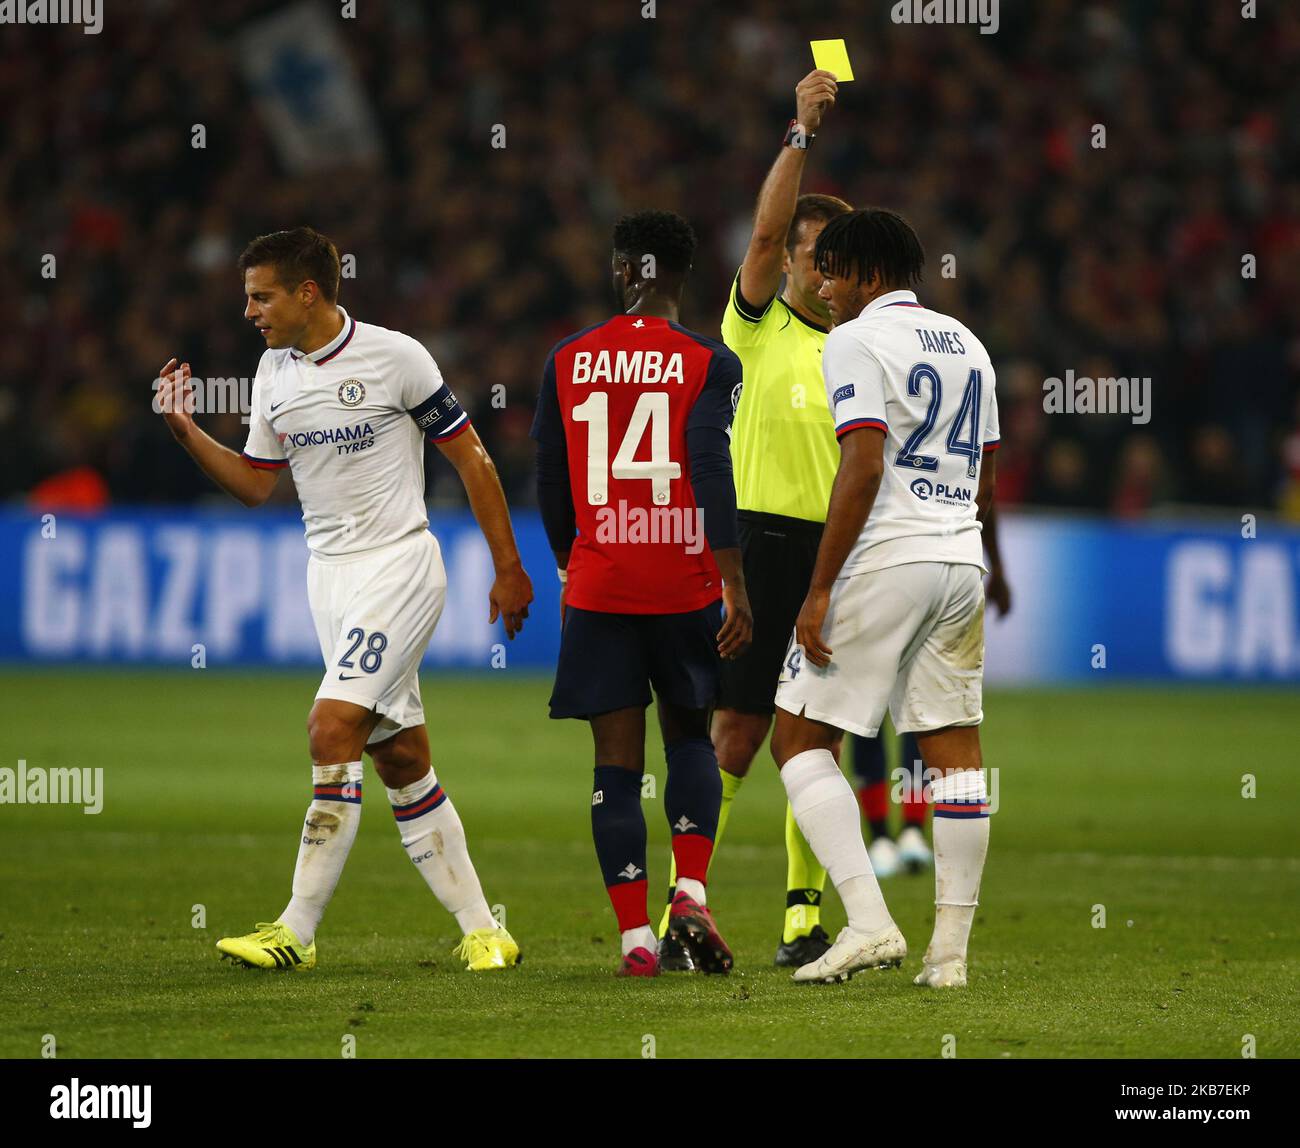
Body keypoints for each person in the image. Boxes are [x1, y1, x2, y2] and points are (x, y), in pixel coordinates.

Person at [156, 227, 533, 972]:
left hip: (399, 564)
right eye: (247, 297)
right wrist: (186, 430)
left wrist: (509, 567)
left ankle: (295, 930)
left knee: (330, 730)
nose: (249, 312)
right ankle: (486, 931)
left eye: (261, 296)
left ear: (307, 292)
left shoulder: (397, 357)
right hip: (327, 577)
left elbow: (472, 458)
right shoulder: (273, 373)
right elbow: (258, 484)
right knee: (401, 759)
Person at [770, 208, 999, 988]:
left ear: (867, 273)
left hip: (889, 557)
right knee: (955, 754)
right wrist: (976, 549)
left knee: (798, 741)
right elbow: (988, 474)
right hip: (959, 555)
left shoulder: (855, 340)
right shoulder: (969, 342)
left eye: (832, 270)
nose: (823, 286)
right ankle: (951, 956)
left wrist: (821, 587)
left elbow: (862, 467)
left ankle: (868, 923)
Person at [656, 69, 853, 969]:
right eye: (801, 251)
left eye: (827, 253)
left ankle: (802, 922)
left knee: (817, 737)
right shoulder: (758, 328)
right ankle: (683, 905)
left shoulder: (865, 348)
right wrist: (800, 135)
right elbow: (768, 228)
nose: (809, 262)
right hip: (760, 544)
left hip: (839, 555)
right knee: (735, 732)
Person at [532, 210, 753, 977]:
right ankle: (688, 889)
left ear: (629, 270)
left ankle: (634, 941)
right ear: (683, 274)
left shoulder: (567, 359)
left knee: (614, 764)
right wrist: (732, 579)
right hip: (684, 582)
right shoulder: (711, 362)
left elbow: (552, 483)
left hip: (600, 585)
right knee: (691, 738)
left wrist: (572, 563)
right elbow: (710, 469)